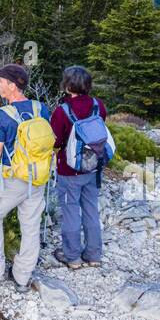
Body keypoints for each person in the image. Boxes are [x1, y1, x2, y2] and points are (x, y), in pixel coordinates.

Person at [0, 63, 51, 292]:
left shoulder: (3, 115)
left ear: (12, 86)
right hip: (38, 178)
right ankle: (22, 277)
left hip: (12, 179)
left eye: (1, 81)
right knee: (31, 227)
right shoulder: (41, 109)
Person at [49, 65, 107, 269]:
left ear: (67, 86)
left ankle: (72, 256)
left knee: (71, 210)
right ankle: (94, 255)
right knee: (91, 209)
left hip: (69, 169)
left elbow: (55, 142)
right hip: (93, 166)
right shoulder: (98, 105)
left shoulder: (62, 111)